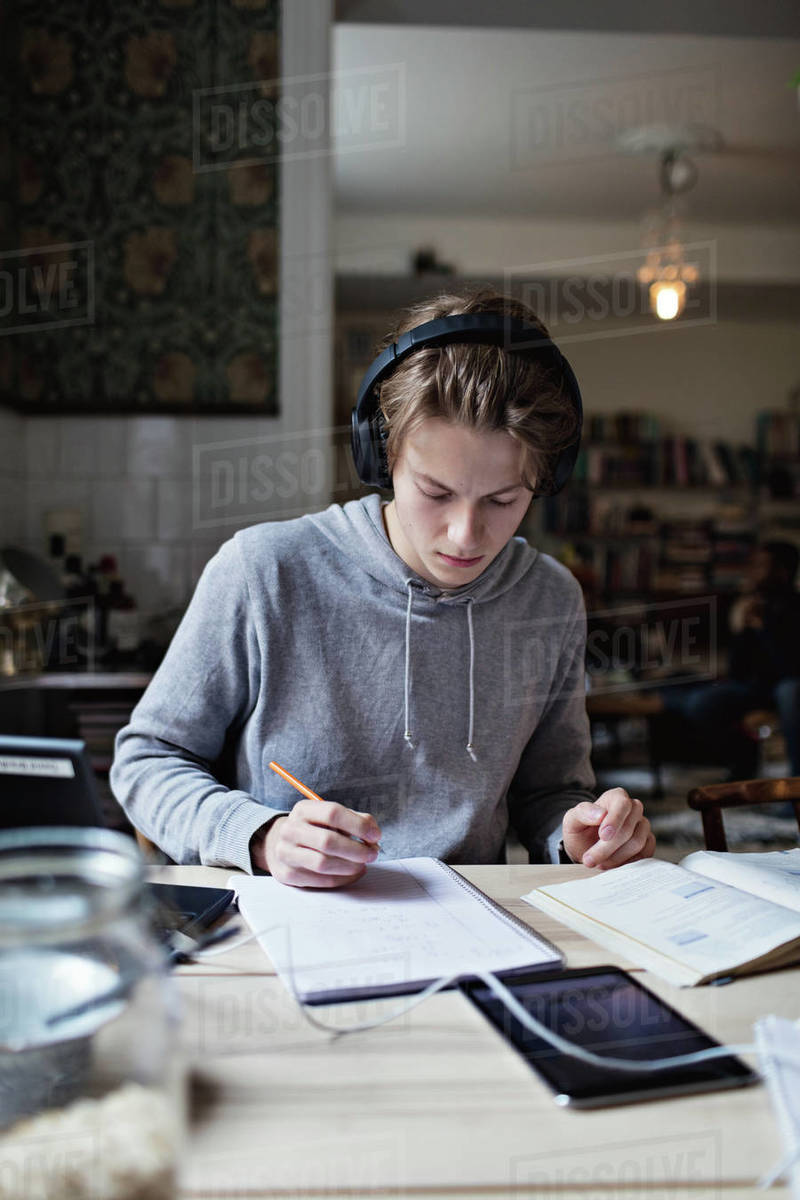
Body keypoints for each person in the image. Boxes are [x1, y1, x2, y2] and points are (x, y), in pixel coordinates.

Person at [110, 288, 655, 887]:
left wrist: (577, 835)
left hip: (475, 931)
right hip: (289, 924)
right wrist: (260, 836)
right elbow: (147, 762)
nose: (465, 534)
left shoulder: (549, 599)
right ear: (381, 454)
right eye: (437, 492)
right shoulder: (264, 570)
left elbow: (551, 792)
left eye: (503, 499)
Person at [657, 540, 800, 780]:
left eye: (759, 566)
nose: (751, 572)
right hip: (751, 687)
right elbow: (737, 668)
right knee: (685, 691)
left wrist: (763, 628)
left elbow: (790, 667)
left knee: (790, 690)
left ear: (782, 571)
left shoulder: (795, 607)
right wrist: (742, 629)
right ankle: (743, 763)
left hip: (782, 689)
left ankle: (796, 783)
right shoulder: (750, 605)